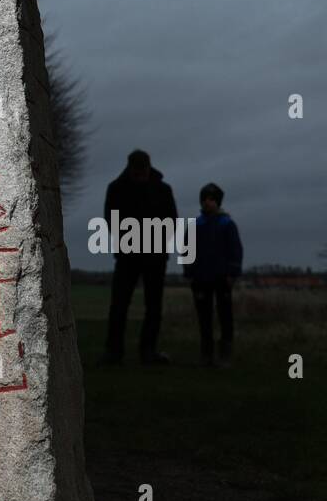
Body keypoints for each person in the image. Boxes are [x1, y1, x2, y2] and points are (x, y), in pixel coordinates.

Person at [101, 149, 177, 366]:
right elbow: (111, 220)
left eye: (142, 173)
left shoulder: (162, 189)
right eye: (137, 173)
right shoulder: (116, 189)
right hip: (130, 255)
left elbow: (171, 220)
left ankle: (147, 351)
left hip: (152, 255)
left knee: (152, 306)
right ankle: (115, 352)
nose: (140, 177)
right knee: (119, 305)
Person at [184, 182, 243, 367]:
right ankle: (206, 354)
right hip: (200, 278)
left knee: (225, 315)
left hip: (222, 277)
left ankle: (225, 354)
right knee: (204, 317)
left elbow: (235, 250)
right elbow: (187, 250)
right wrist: (189, 272)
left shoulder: (227, 224)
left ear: (218, 202)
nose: (207, 202)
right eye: (204, 199)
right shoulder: (195, 225)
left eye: (211, 199)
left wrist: (232, 273)